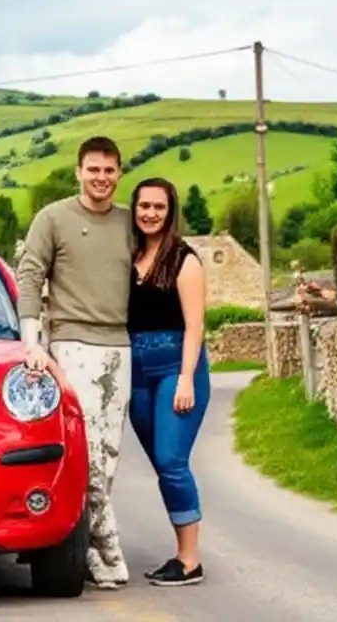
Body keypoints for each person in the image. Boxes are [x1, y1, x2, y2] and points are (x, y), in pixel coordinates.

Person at [16, 136, 135, 589]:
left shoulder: (129, 223)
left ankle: (84, 543)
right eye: (93, 170)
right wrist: (33, 342)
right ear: (78, 172)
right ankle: (110, 549)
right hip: (70, 344)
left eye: (109, 170)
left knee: (108, 454)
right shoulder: (53, 219)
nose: (101, 178)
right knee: (85, 454)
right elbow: (29, 277)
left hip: (119, 347)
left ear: (119, 173)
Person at [125, 177, 210, 587]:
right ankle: (180, 553)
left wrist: (186, 380)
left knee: (172, 460)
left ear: (170, 210)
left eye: (159, 207)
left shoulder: (184, 259)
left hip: (176, 369)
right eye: (144, 206)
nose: (150, 213)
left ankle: (190, 559)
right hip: (136, 374)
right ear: (135, 208)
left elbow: (195, 326)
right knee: (162, 464)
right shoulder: (129, 256)